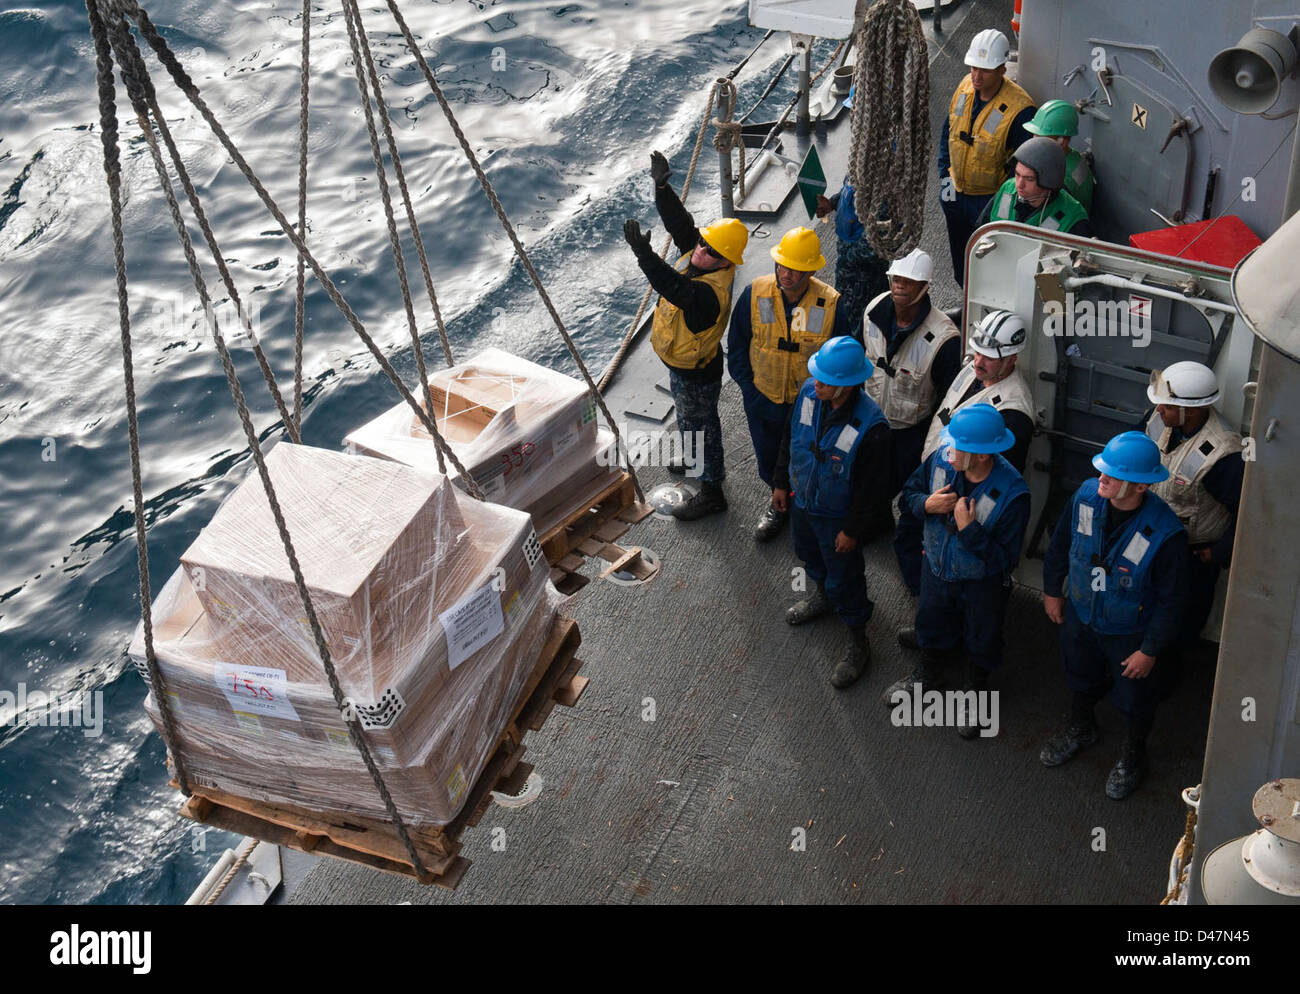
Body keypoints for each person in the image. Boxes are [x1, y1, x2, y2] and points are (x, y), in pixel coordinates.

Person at [1040, 431, 1189, 799]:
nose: (1101, 478)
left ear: (1139, 486)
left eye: (1112, 475)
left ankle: (1133, 755)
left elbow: (1173, 600)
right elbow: (1060, 545)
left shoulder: (1166, 534)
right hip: (1081, 614)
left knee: (1135, 698)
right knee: (1080, 674)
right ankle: (1081, 728)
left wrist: (1149, 650)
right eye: (1102, 471)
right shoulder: (1086, 497)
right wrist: (1051, 591)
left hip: (1129, 634)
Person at [881, 405, 1030, 739]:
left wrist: (969, 531)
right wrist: (926, 505)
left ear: (980, 456)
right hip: (936, 569)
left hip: (981, 586)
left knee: (982, 639)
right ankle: (929, 673)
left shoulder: (1013, 494)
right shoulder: (941, 459)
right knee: (931, 621)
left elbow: (1004, 560)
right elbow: (909, 496)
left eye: (959, 447)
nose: (951, 451)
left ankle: (975, 693)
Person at [624, 150, 748, 520]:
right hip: (682, 367)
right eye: (703, 243)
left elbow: (673, 287)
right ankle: (695, 459)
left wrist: (644, 254)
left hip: (696, 374)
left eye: (712, 250)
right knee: (687, 418)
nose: (701, 249)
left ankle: (712, 491)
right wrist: (662, 188)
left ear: (726, 262)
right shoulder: (702, 255)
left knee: (702, 425)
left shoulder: (711, 295)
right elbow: (681, 225)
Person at [773, 337, 891, 689]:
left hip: (837, 518)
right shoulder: (811, 393)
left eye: (825, 380)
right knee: (808, 554)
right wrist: (781, 482)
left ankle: (858, 638)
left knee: (846, 577)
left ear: (847, 385)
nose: (816, 383)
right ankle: (822, 595)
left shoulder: (873, 429)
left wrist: (852, 531)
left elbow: (873, 491)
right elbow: (790, 437)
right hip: (804, 503)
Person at [895, 310, 1035, 603]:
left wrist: (939, 507)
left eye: (989, 357)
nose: (978, 361)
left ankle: (931, 607)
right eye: (977, 352)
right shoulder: (976, 368)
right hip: (933, 477)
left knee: (944, 571)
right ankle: (925, 603)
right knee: (909, 543)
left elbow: (984, 476)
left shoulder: (1013, 412)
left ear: (1013, 358)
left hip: (950, 503)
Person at [728, 226, 839, 541]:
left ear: (812, 270)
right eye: (782, 265)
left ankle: (805, 505)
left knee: (806, 456)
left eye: (794, 268)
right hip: (763, 398)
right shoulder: (756, 293)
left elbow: (839, 361)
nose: (785, 273)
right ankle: (779, 503)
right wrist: (750, 389)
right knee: (767, 456)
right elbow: (737, 345)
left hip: (808, 404)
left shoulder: (830, 304)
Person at [1143, 362, 1244, 657]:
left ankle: (1163, 684)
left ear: (1194, 411)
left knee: (1179, 628)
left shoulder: (1224, 456)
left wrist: (1218, 553)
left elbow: (1246, 516)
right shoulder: (1160, 419)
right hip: (1150, 541)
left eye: (1167, 407)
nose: (1159, 411)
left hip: (1193, 556)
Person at [861, 248, 962, 497]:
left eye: (909, 282)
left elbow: (947, 400)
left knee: (909, 491)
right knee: (869, 484)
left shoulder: (943, 338)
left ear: (924, 287)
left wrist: (932, 444)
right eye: (897, 280)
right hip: (871, 420)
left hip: (911, 433)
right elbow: (857, 358)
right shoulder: (873, 312)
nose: (900, 287)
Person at [939, 28, 1036, 286]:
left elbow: (1023, 165)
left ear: (1002, 70)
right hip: (955, 191)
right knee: (962, 262)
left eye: (985, 70)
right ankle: (965, 292)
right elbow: (948, 132)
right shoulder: (964, 88)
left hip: (988, 199)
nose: (976, 75)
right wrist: (943, 178)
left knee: (989, 264)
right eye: (973, 67)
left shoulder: (1020, 111)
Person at [977, 137, 1092, 235]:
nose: (1019, 184)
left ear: (1049, 180)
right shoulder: (1008, 188)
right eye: (1017, 174)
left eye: (1029, 179)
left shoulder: (1072, 217)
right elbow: (981, 228)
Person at [1023, 98, 1095, 210]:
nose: (1034, 142)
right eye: (1034, 135)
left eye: (1041, 138)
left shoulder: (1059, 180)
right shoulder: (1072, 157)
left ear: (1062, 141)